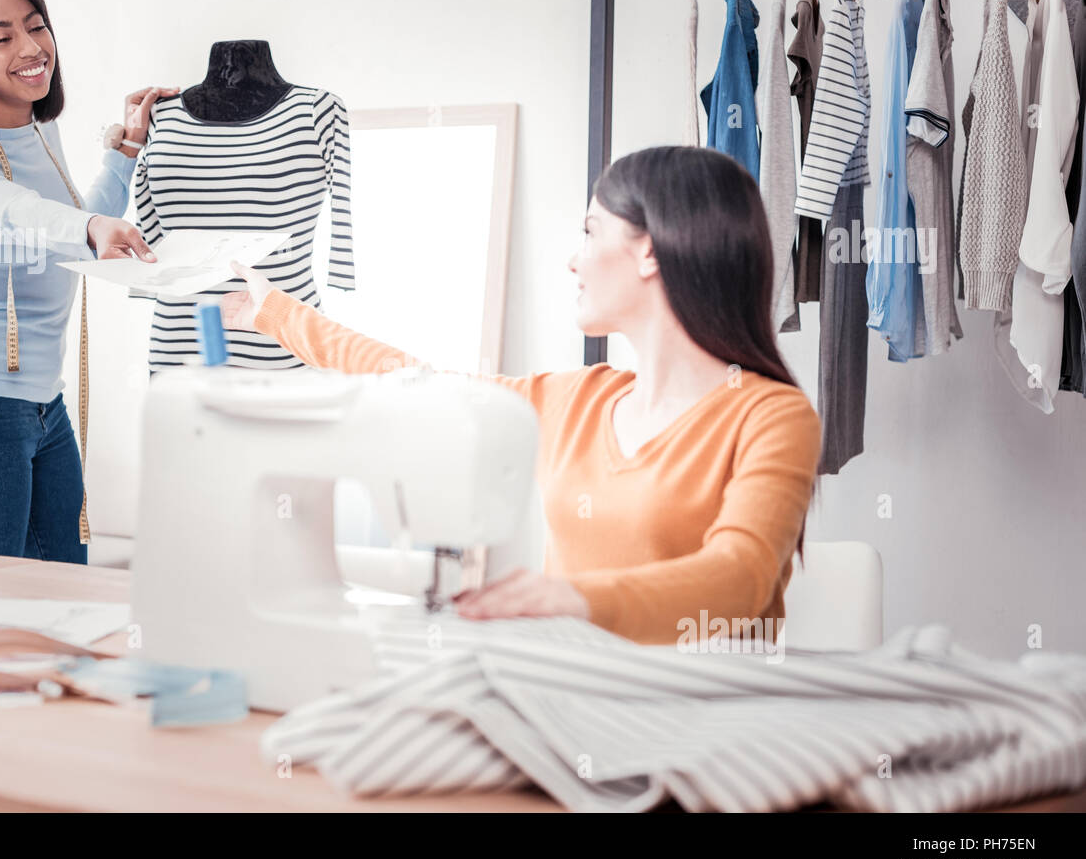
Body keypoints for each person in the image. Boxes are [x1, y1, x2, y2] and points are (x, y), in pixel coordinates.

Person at [220, 146, 822, 644]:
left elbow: (737, 577)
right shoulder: (574, 401)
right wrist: (274, 313)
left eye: (590, 232)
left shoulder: (772, 416)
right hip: (571, 698)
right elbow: (413, 381)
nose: (573, 260)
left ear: (648, 251)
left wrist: (568, 598)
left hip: (705, 725)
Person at [0, 0, 175, 563]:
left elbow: (72, 229)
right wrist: (84, 226)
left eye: (37, 27)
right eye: (1, 38)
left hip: (41, 406)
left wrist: (126, 150)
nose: (32, 48)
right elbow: (12, 212)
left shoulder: (41, 134)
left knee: (62, 583)